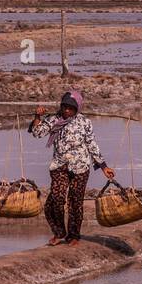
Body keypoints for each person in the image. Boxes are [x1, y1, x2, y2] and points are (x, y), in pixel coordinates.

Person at [29, 90, 115, 246]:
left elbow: (91, 144)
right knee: (56, 198)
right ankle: (59, 232)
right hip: (59, 165)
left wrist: (104, 167)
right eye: (65, 107)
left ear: (77, 108)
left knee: (75, 201)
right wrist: (37, 117)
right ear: (61, 106)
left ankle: (74, 235)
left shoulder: (84, 122)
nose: (67, 110)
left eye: (71, 108)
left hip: (80, 167)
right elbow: (37, 133)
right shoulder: (53, 119)